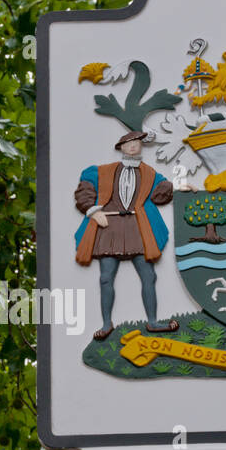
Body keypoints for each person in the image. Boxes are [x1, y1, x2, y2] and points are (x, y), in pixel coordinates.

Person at [74, 130, 178, 340]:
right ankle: (106, 324)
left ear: (141, 146)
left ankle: (153, 322)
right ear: (120, 147)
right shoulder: (102, 171)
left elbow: (161, 192)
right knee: (105, 278)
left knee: (149, 275)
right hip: (108, 227)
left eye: (137, 143)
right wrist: (93, 211)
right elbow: (85, 189)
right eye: (128, 142)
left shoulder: (149, 173)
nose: (132, 146)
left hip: (136, 227)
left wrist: (180, 186)